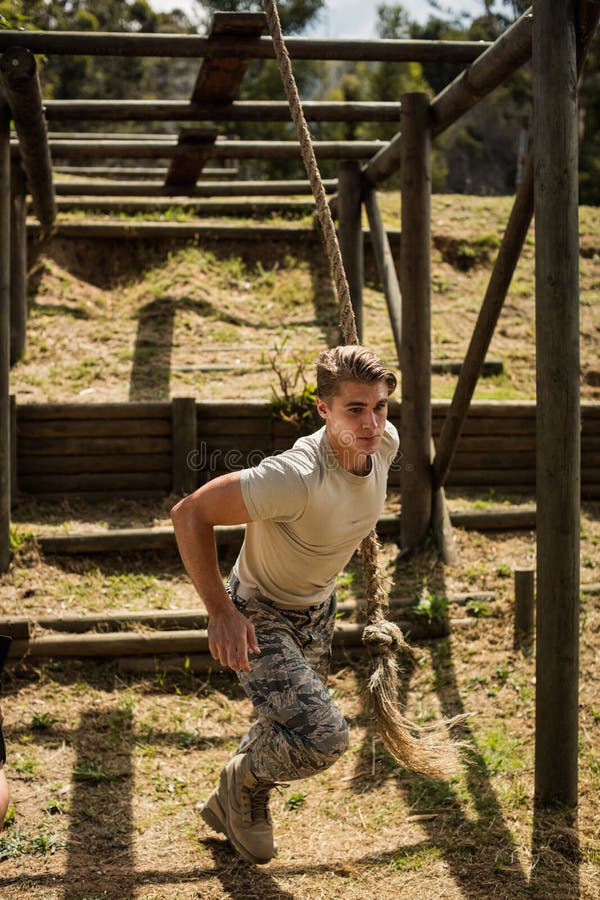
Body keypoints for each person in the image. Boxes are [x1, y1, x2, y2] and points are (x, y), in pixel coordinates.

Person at [171, 345, 399, 865]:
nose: (371, 423)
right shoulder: (293, 476)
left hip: (317, 611)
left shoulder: (384, 442)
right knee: (324, 737)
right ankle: (241, 781)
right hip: (260, 614)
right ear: (323, 409)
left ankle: (235, 798)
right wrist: (221, 612)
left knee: (288, 722)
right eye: (355, 410)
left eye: (380, 406)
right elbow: (189, 513)